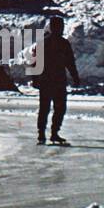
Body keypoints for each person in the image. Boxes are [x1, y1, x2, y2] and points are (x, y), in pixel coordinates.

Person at [34, 16, 80, 145]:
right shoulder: (53, 43)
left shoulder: (48, 43)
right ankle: (48, 133)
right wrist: (75, 76)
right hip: (53, 81)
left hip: (51, 81)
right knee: (54, 108)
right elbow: (69, 62)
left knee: (49, 108)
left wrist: (35, 79)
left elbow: (69, 62)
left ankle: (46, 134)